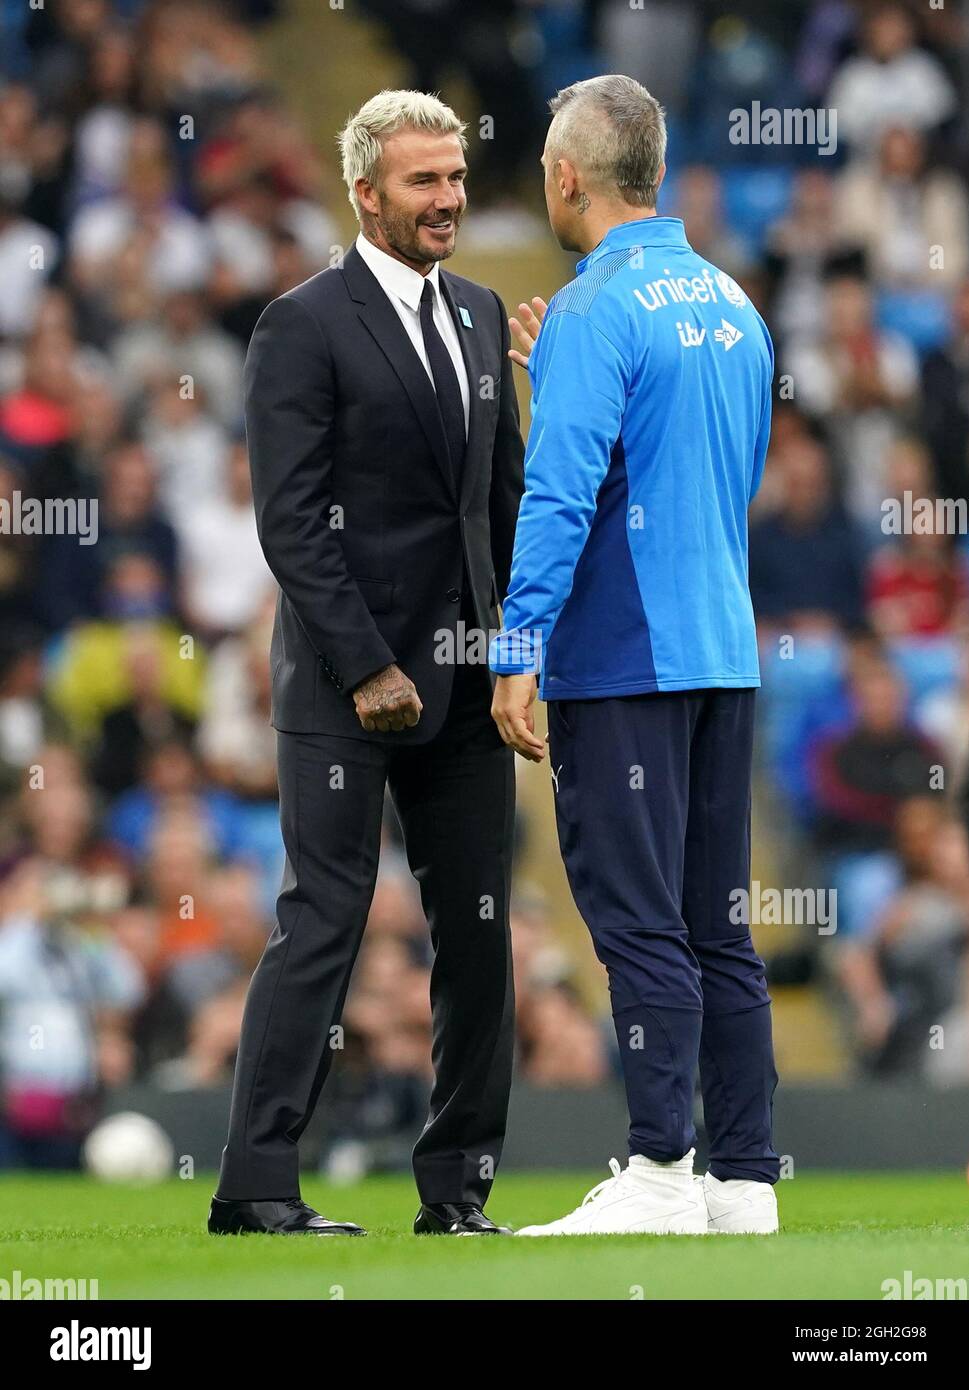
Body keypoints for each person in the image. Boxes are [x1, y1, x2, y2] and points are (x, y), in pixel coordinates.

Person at [208, 91, 524, 1238]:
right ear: (365, 195)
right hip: (349, 690)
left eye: (454, 178)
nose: (447, 198)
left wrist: (517, 660)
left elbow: (504, 512)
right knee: (324, 920)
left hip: (466, 688)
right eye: (422, 182)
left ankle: (457, 1192)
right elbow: (290, 523)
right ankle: (255, 1185)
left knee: (480, 931)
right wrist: (364, 666)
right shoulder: (302, 322)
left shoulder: (484, 316)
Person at [490, 75, 779, 1235]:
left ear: (564, 175)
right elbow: (720, 473)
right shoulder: (732, 302)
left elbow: (558, 494)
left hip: (622, 660)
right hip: (723, 646)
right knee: (718, 920)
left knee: (637, 920)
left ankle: (658, 1169)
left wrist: (515, 646)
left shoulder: (590, 310)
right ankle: (745, 1179)